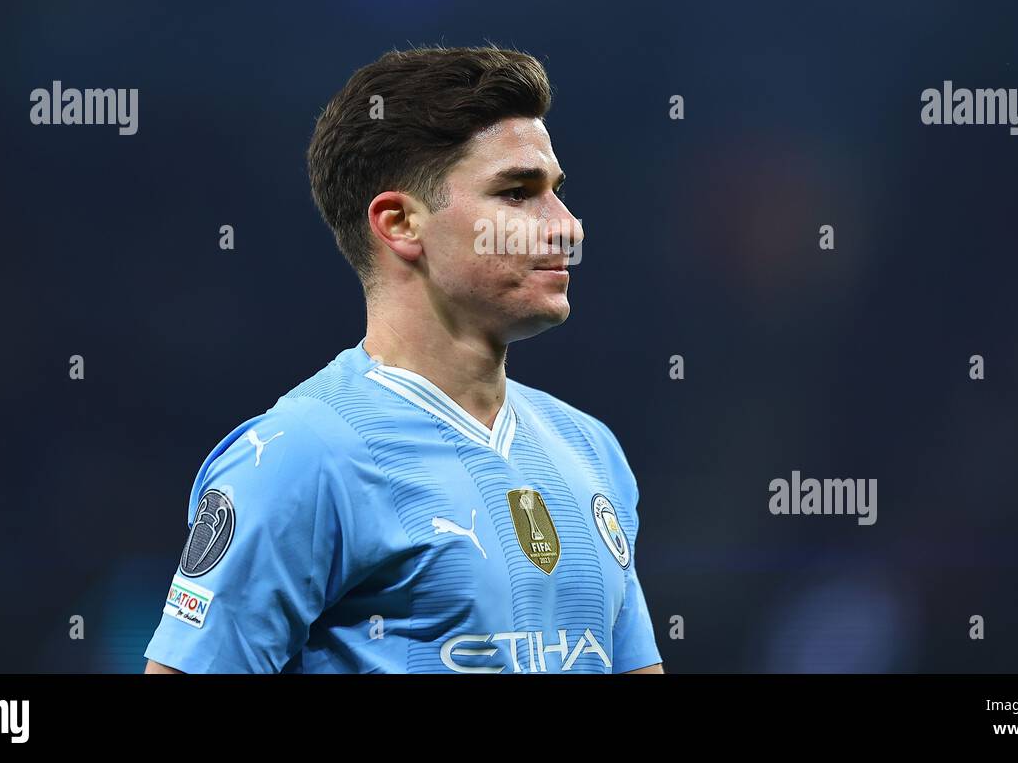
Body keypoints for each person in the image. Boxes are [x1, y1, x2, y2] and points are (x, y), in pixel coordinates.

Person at [143, 45, 663, 673]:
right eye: (518, 194)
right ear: (400, 223)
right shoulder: (300, 458)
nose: (568, 226)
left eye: (556, 191)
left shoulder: (591, 449)